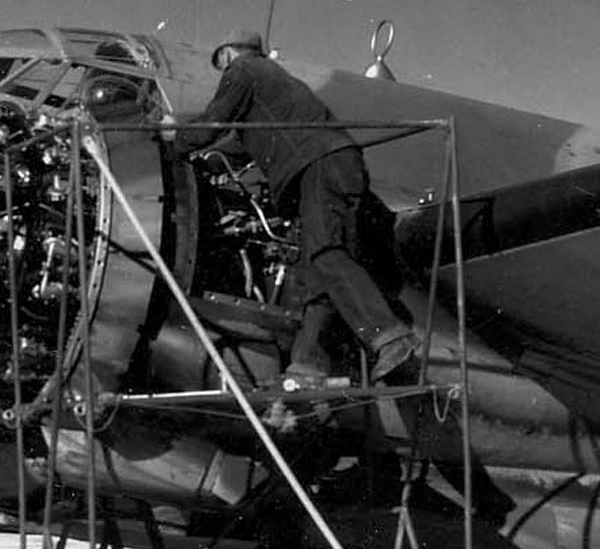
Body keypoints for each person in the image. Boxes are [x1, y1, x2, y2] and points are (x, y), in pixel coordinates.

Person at [165, 27, 422, 386]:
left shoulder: (243, 71)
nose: (220, 70)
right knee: (314, 272)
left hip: (319, 164)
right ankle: (308, 364)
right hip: (322, 164)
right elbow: (238, 141)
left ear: (228, 53)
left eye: (219, 61)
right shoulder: (272, 83)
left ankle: (391, 336)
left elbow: (214, 121)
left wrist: (173, 142)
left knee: (328, 254)